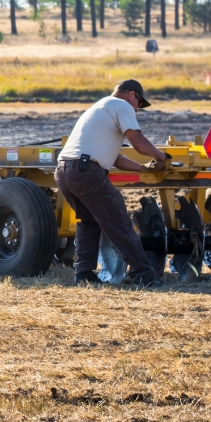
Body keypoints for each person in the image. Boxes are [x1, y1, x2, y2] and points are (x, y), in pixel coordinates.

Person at [55, 79, 169, 286]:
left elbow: (115, 158)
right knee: (119, 223)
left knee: (88, 222)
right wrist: (163, 157)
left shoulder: (100, 107)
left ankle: (84, 274)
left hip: (65, 172)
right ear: (132, 95)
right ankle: (144, 277)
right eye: (139, 104)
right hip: (86, 172)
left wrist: (144, 168)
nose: (137, 111)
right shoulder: (122, 105)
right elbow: (139, 143)